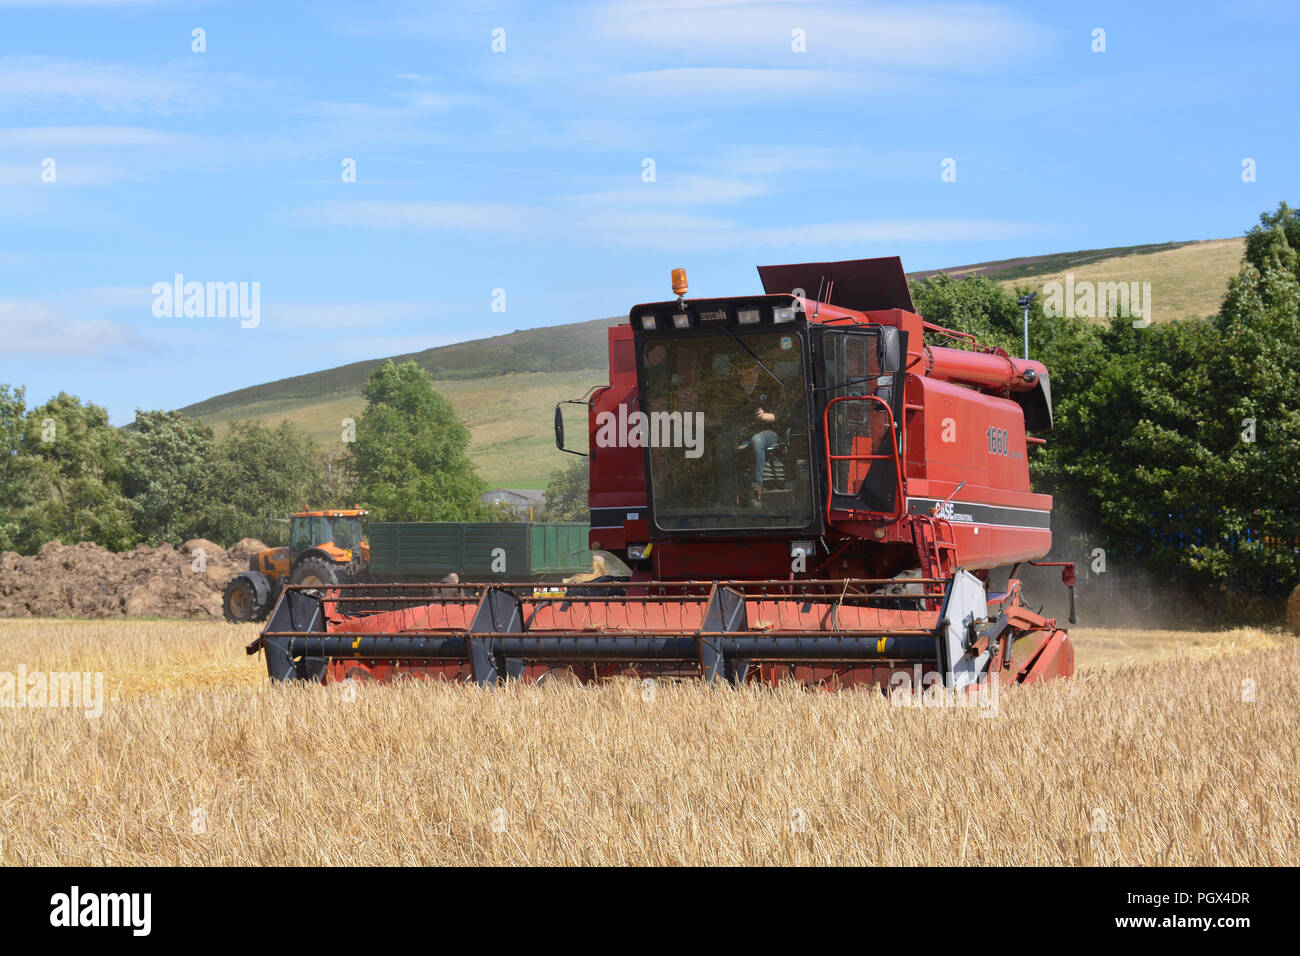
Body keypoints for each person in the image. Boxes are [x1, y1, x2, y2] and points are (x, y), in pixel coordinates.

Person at [732, 356, 781, 498]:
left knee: (757, 440)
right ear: (739, 370)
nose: (754, 374)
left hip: (769, 432)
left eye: (756, 370)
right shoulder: (733, 390)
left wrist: (766, 416)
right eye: (748, 370)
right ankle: (729, 489)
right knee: (724, 441)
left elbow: (782, 415)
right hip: (743, 431)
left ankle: (756, 488)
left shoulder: (770, 387)